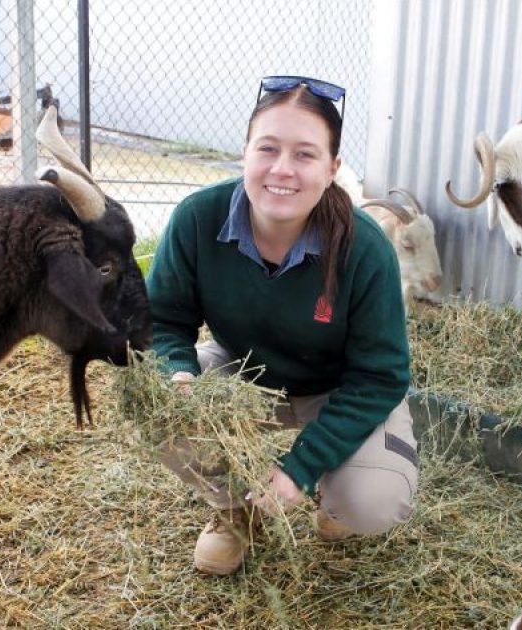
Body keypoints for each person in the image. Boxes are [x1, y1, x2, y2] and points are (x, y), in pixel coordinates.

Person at [146, 75, 419, 575]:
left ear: (333, 168)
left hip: (339, 389)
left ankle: (333, 495)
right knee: (154, 403)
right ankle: (236, 511)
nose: (282, 170)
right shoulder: (197, 220)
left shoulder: (365, 250)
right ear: (244, 154)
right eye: (267, 148)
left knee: (370, 503)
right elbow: (164, 319)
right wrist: (178, 376)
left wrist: (301, 467)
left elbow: (380, 375)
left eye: (305, 155)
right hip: (245, 374)